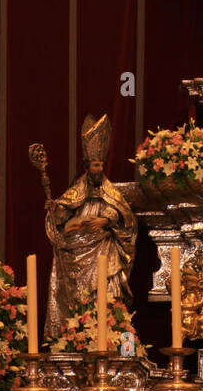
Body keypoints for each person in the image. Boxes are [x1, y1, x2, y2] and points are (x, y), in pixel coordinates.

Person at [44, 114, 137, 340]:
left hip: (103, 247)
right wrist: (54, 208)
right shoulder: (77, 190)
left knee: (107, 289)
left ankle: (112, 337)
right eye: (96, 164)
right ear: (87, 165)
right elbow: (63, 215)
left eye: (102, 164)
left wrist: (105, 220)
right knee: (80, 298)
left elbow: (125, 216)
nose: (100, 168)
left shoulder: (110, 191)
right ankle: (77, 336)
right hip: (78, 250)